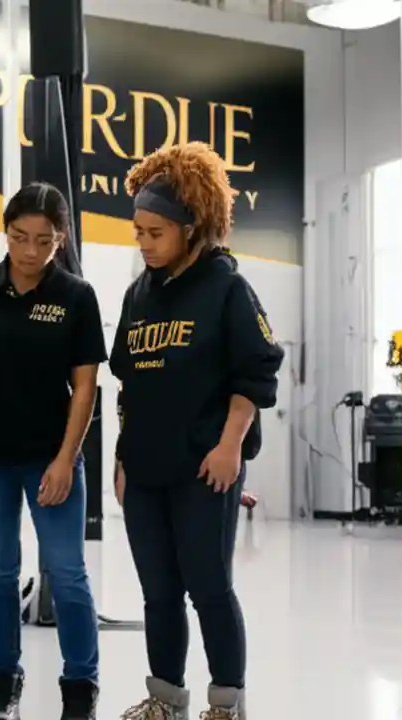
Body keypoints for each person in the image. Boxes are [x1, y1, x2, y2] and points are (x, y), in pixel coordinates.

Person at [110, 142, 284, 720]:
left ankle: (226, 705)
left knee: (208, 587)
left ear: (190, 228)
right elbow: (128, 385)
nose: (144, 243)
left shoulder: (226, 289)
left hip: (205, 467)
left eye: (155, 233)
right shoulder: (138, 295)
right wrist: (121, 456)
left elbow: (255, 374)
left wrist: (231, 446)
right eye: (138, 232)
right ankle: (165, 701)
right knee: (158, 594)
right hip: (146, 470)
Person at [0, 182, 106, 720]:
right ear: (4, 232)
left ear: (61, 239)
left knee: (69, 573)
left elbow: (86, 387)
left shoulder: (77, 297)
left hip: (49, 458)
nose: (30, 252)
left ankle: (80, 690)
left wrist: (64, 459)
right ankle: (1, 686)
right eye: (19, 238)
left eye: (44, 241)